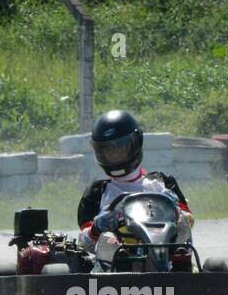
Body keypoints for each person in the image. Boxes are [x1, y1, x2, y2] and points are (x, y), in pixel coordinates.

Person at [76, 110, 194, 268]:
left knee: (182, 222)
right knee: (107, 238)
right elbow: (83, 243)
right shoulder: (97, 193)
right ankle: (122, 263)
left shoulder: (162, 183)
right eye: (108, 151)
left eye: (120, 149)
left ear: (136, 143)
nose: (115, 156)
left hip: (166, 255)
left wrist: (175, 209)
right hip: (118, 272)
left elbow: (189, 221)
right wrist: (97, 228)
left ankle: (180, 264)